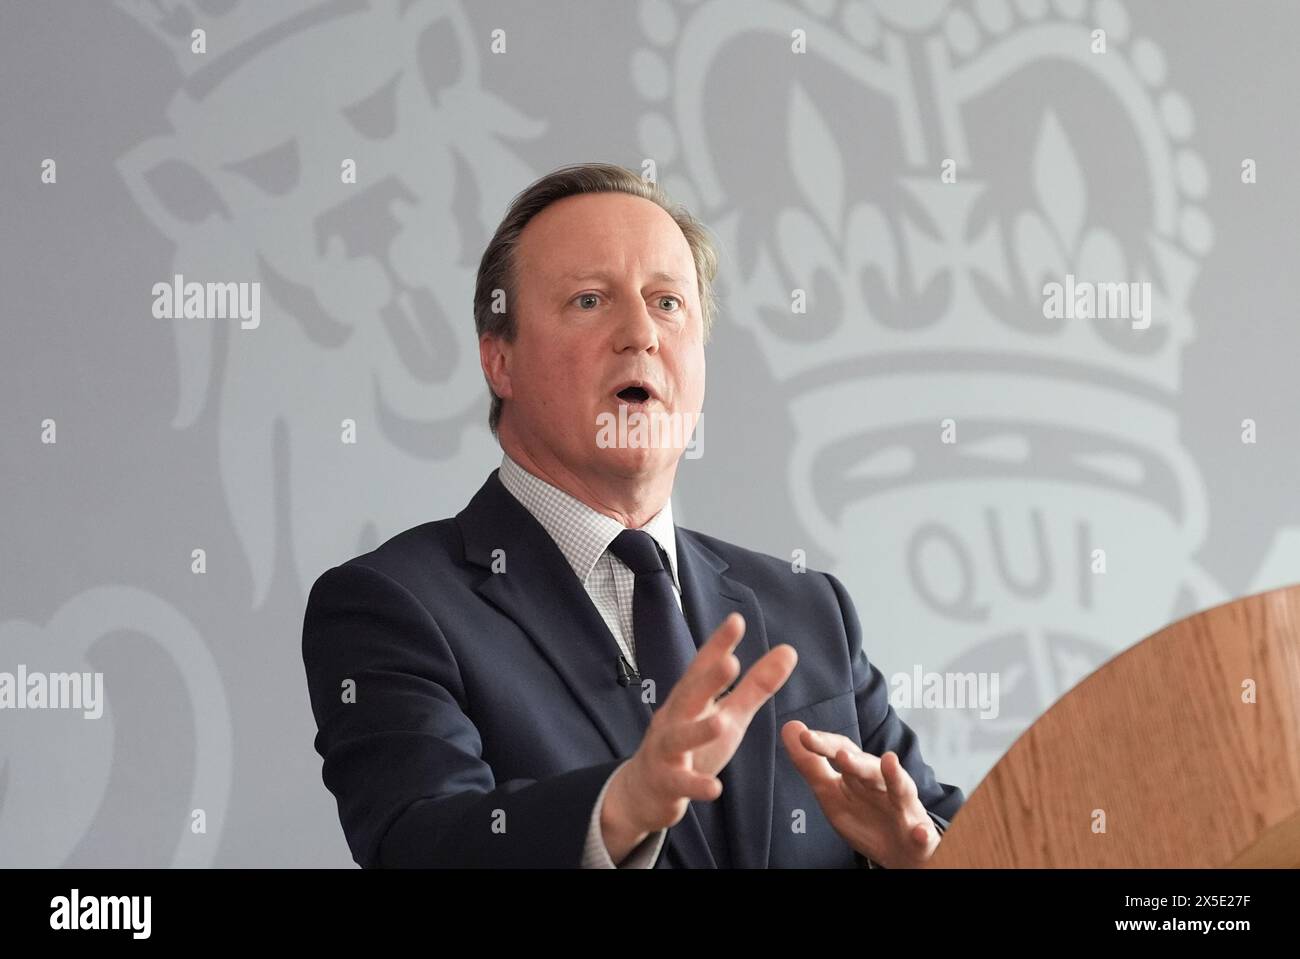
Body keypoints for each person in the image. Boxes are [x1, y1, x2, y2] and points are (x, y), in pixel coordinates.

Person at [301, 162, 964, 868]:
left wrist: (921, 859)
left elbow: (957, 829)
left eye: (668, 302)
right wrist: (620, 807)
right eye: (590, 300)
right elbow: (422, 843)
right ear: (501, 361)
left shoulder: (810, 610)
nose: (640, 333)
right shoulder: (393, 604)